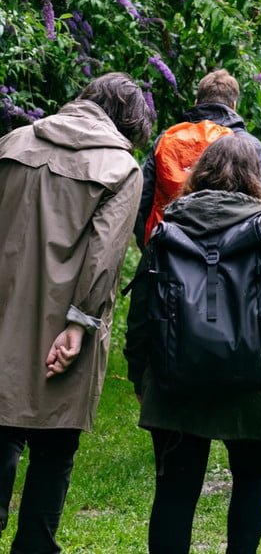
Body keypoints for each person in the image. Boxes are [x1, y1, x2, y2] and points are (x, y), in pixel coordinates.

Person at [124, 135, 261, 553]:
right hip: (252, 381)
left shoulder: (166, 229)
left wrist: (140, 375)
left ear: (201, 172)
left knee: (174, 491)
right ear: (255, 177)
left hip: (176, 382)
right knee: (254, 479)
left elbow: (141, 315)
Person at [0, 72, 152, 552]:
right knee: (55, 446)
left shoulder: (13, 142)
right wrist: (80, 323)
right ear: (129, 120)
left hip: (4, 311)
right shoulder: (122, 168)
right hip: (63, 323)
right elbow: (104, 256)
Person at [134, 68, 261, 249]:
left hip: (168, 244)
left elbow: (143, 201)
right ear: (234, 105)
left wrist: (149, 245)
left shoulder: (167, 138)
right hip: (228, 250)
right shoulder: (248, 144)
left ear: (196, 102)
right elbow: (260, 206)